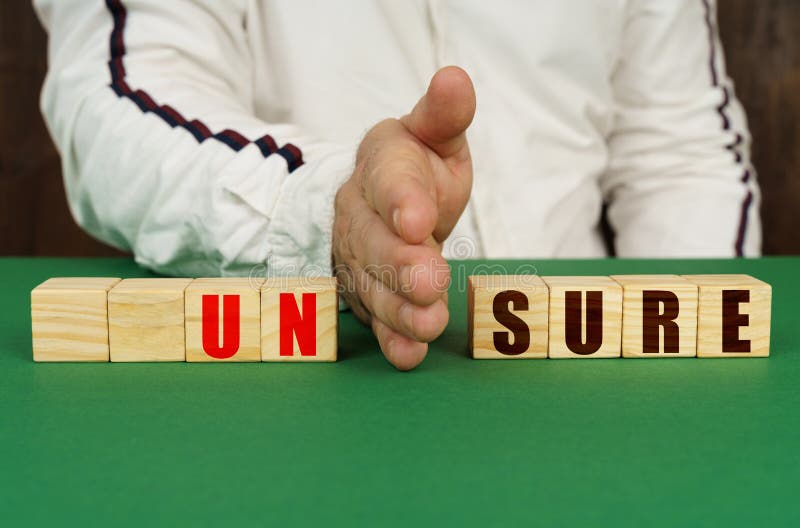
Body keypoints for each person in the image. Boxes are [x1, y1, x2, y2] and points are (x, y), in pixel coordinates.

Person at [34, 0, 760, 370]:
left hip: (586, 383)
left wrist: (684, 344)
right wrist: (329, 214)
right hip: (311, 375)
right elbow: (122, 96)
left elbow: (681, 152)